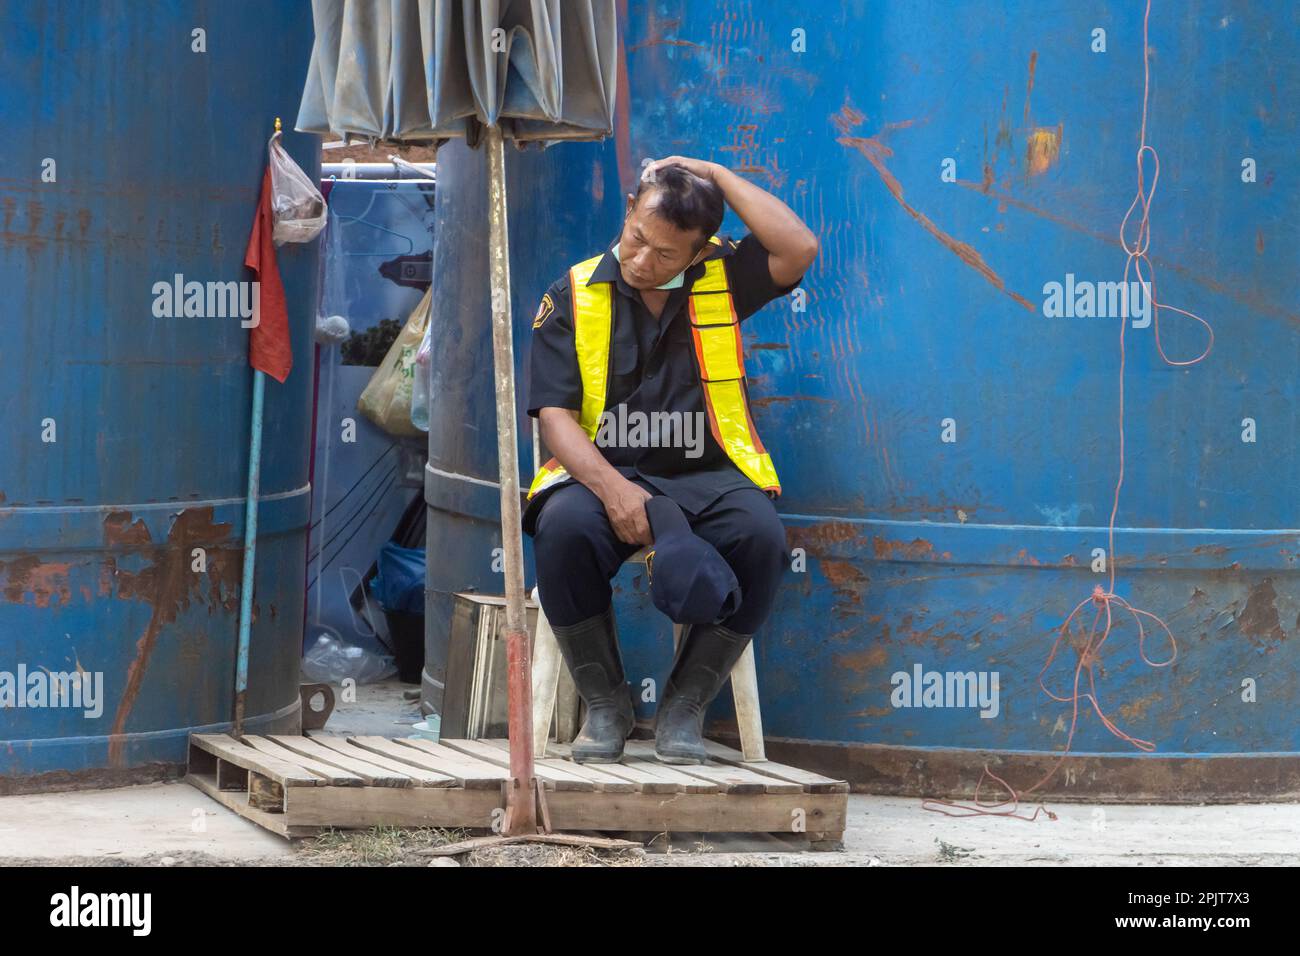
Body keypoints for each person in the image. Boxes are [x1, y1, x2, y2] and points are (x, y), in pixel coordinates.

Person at [524, 155, 818, 763]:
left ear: (699, 250)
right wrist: (611, 489)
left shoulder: (724, 277)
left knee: (762, 539)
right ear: (629, 210)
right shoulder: (572, 294)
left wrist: (711, 172)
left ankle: (684, 708)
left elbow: (799, 247)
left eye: (665, 254)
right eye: (637, 239)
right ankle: (607, 704)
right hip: (605, 472)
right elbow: (554, 416)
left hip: (707, 475)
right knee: (563, 530)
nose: (641, 261)